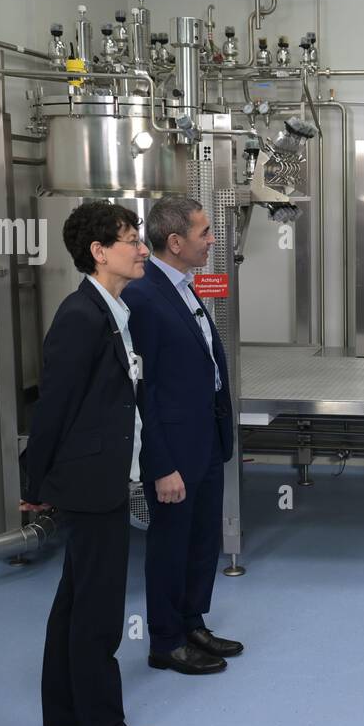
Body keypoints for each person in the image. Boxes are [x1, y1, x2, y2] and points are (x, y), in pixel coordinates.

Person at [22, 201, 165, 726]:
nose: (142, 249)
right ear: (99, 251)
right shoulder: (81, 317)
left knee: (75, 600)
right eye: (131, 239)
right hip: (90, 486)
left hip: (101, 475)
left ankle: (64, 708)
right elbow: (52, 407)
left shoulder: (111, 311)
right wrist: (35, 486)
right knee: (99, 611)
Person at [122, 195, 241, 675]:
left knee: (201, 536)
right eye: (205, 232)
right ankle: (166, 641)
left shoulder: (184, 286)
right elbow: (142, 391)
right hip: (173, 447)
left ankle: (193, 623)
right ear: (175, 242)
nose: (213, 240)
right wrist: (160, 463)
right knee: (171, 543)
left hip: (205, 437)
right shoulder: (143, 297)